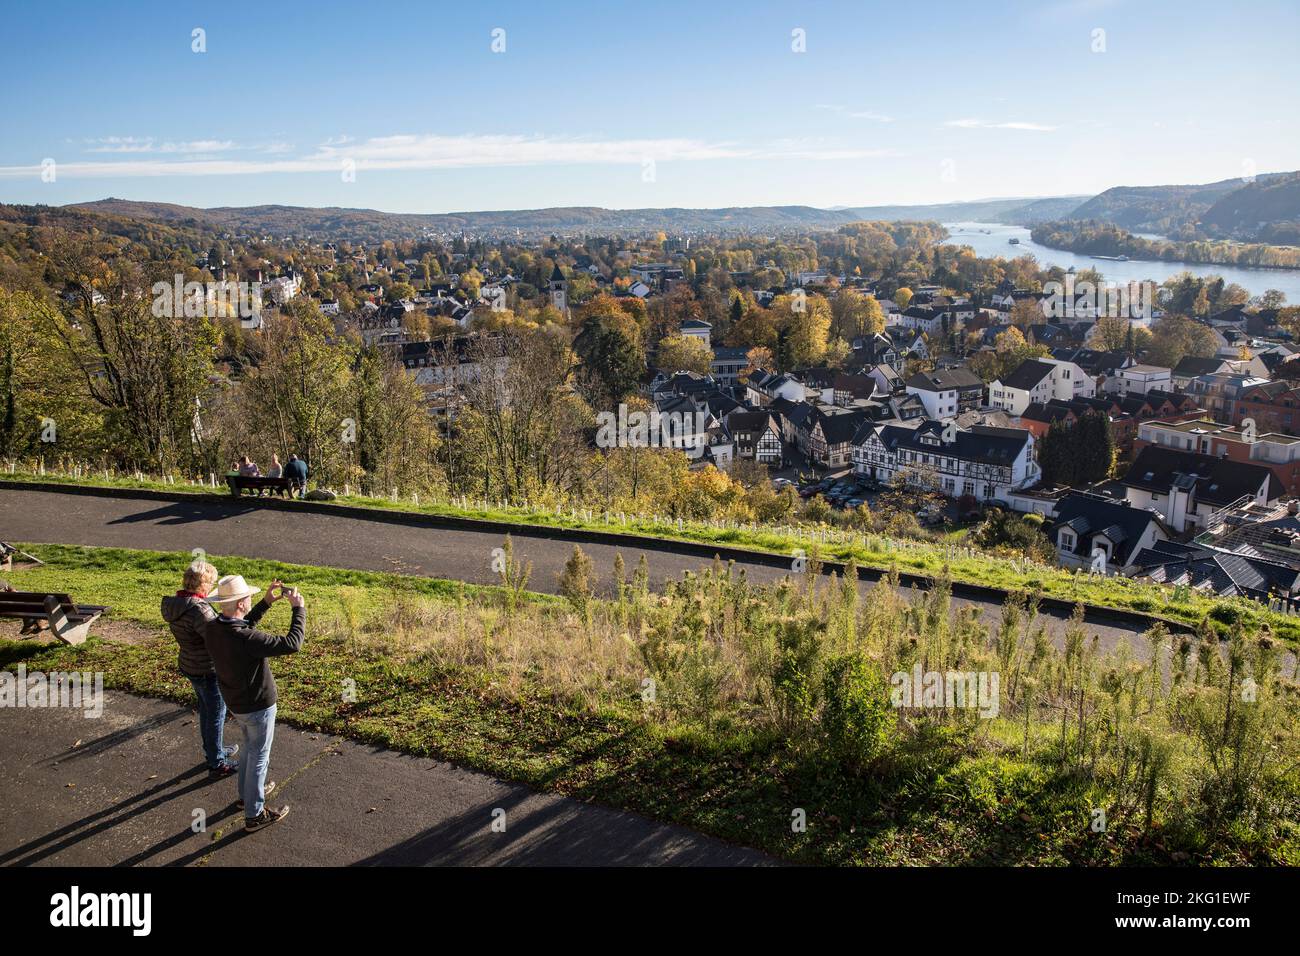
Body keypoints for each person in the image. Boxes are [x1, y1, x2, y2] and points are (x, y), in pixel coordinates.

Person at [203, 574, 305, 832]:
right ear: (240, 603)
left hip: (236, 702)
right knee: (259, 756)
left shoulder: (215, 627)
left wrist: (266, 602)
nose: (250, 599)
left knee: (249, 749)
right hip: (258, 705)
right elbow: (292, 644)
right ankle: (254, 814)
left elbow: (242, 625)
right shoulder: (246, 639)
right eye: (248, 597)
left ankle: (245, 797)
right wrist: (298, 610)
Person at [160, 561, 238, 775]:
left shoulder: (176, 604)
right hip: (207, 669)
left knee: (206, 711)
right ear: (203, 584)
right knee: (216, 714)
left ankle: (215, 750)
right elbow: (217, 640)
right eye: (211, 583)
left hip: (189, 663)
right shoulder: (199, 609)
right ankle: (216, 762)